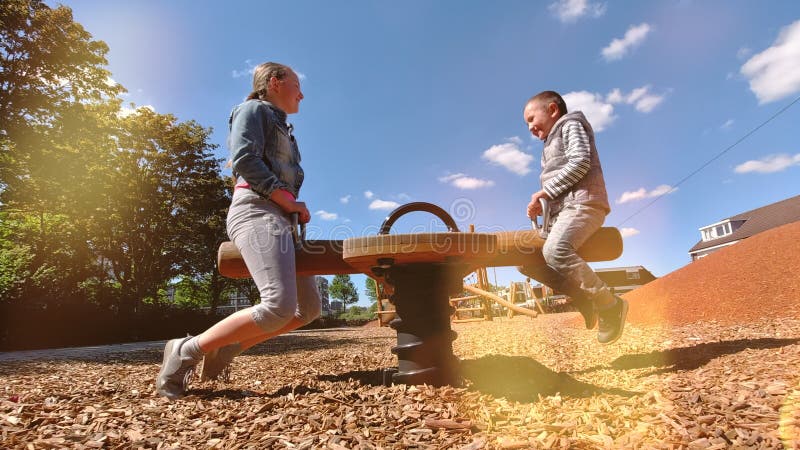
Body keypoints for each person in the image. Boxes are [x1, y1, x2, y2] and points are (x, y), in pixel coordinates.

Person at [156, 62, 321, 399]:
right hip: (256, 211)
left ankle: (227, 345)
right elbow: (245, 158)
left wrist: (292, 207)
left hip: (282, 219)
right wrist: (286, 200)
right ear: (274, 82)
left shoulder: (285, 129)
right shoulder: (252, 110)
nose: (302, 94)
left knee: (309, 309)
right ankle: (186, 350)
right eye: (296, 84)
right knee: (277, 306)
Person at [518, 90, 628, 344]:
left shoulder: (571, 125)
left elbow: (580, 162)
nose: (530, 127)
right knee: (523, 258)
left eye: (531, 119)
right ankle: (580, 296)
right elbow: (560, 183)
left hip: (584, 204)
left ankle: (609, 304)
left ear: (552, 110)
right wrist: (543, 205)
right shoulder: (549, 144)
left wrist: (546, 192)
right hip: (562, 211)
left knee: (554, 250)